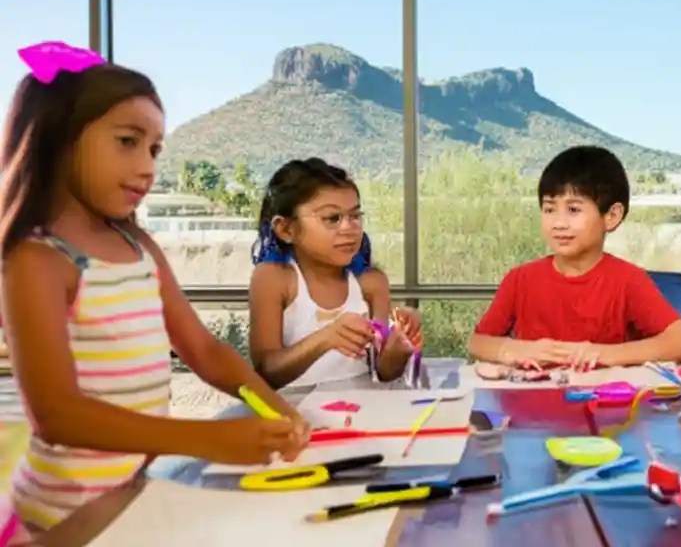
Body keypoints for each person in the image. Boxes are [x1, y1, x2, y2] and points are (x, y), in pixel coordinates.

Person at [0, 42, 307, 534]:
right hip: (64, 514)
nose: (147, 166)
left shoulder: (137, 244)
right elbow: (56, 415)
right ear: (61, 137)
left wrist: (281, 410)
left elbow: (204, 350)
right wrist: (208, 441)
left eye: (155, 149)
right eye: (128, 141)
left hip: (132, 491)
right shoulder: (37, 260)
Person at [468, 145, 681, 370]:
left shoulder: (628, 280)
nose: (559, 223)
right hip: (531, 406)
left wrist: (603, 354)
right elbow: (477, 343)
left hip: (605, 405)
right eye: (549, 209)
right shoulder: (520, 279)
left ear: (611, 216)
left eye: (573, 210)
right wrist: (514, 350)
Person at [248, 158, 422, 388]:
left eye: (355, 216)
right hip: (293, 416)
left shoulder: (372, 283)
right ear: (286, 229)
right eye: (332, 218)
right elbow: (266, 371)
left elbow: (384, 372)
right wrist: (326, 338)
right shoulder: (273, 278)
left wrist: (400, 346)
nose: (349, 228)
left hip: (361, 413)